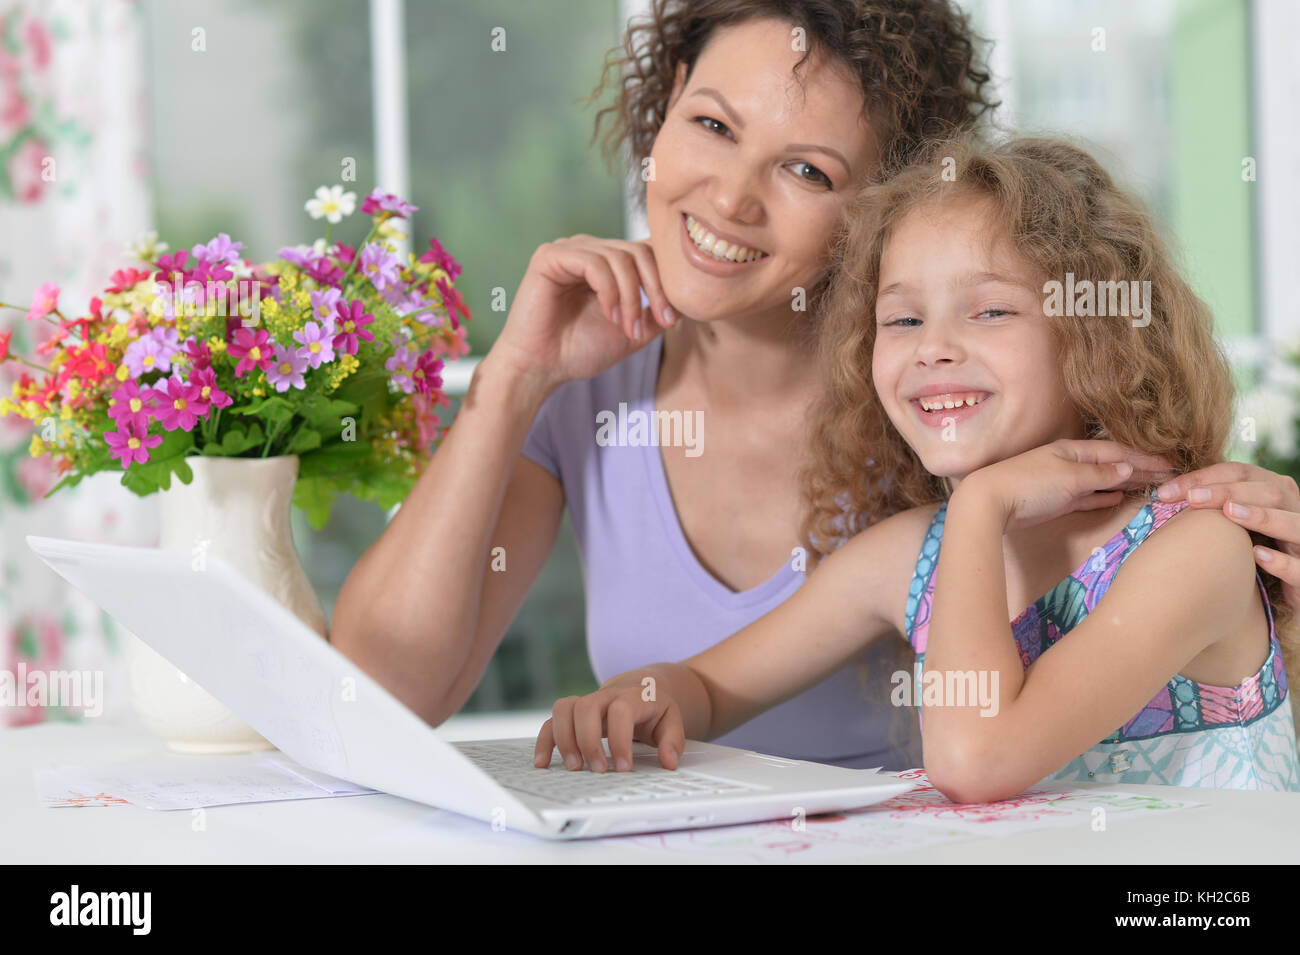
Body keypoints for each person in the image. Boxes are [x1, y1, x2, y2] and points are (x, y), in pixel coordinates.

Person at [331, 0, 1300, 773]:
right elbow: (375, 693)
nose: (730, 198)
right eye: (711, 124)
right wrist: (516, 376)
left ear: (875, 204)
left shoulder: (971, 453)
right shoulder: (610, 398)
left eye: (805, 167)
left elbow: (988, 748)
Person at [532, 135, 1300, 801]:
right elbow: (706, 688)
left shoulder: (1194, 547)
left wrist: (981, 505)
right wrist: (643, 695)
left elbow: (976, 757)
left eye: (989, 310)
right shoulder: (909, 556)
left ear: (1096, 334)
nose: (933, 346)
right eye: (902, 319)